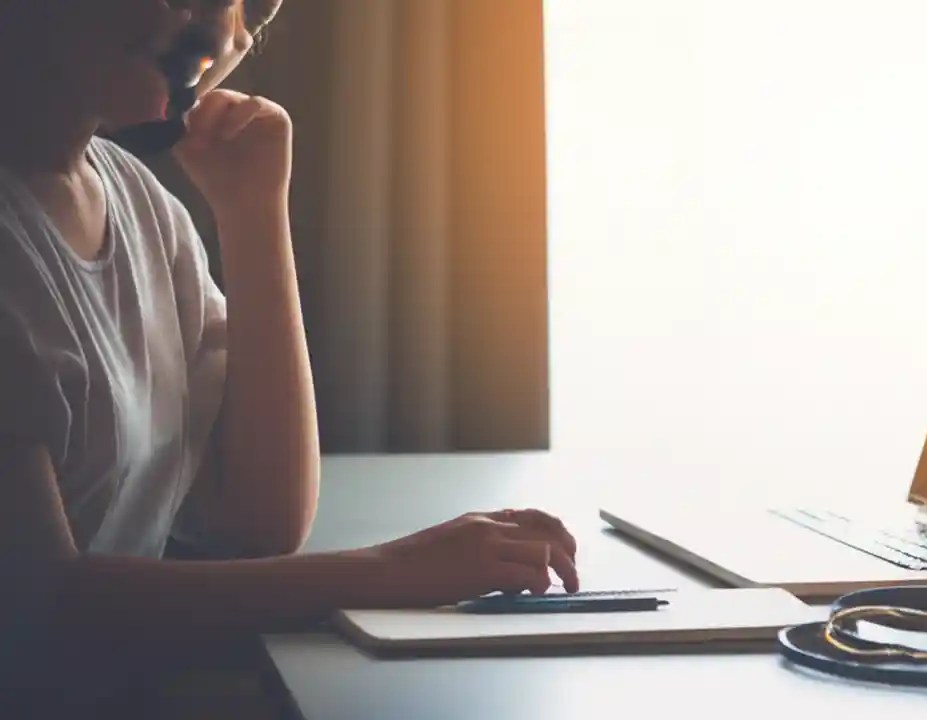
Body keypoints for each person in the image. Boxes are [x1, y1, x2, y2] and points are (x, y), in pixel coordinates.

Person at [0, 0, 579, 710]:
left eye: (256, 15)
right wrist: (390, 572)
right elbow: (41, 605)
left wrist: (252, 213)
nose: (221, 33)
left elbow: (258, 519)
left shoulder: (139, 206)